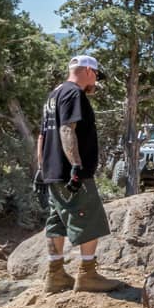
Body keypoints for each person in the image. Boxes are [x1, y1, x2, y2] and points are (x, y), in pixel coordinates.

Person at [36, 55, 121, 293]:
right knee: (89, 218)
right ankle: (87, 274)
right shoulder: (74, 94)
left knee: (56, 222)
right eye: (95, 76)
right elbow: (66, 129)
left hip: (52, 171)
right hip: (70, 173)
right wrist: (75, 166)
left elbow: (42, 135)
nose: (95, 83)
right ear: (87, 71)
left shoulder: (53, 95)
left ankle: (55, 275)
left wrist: (41, 169)